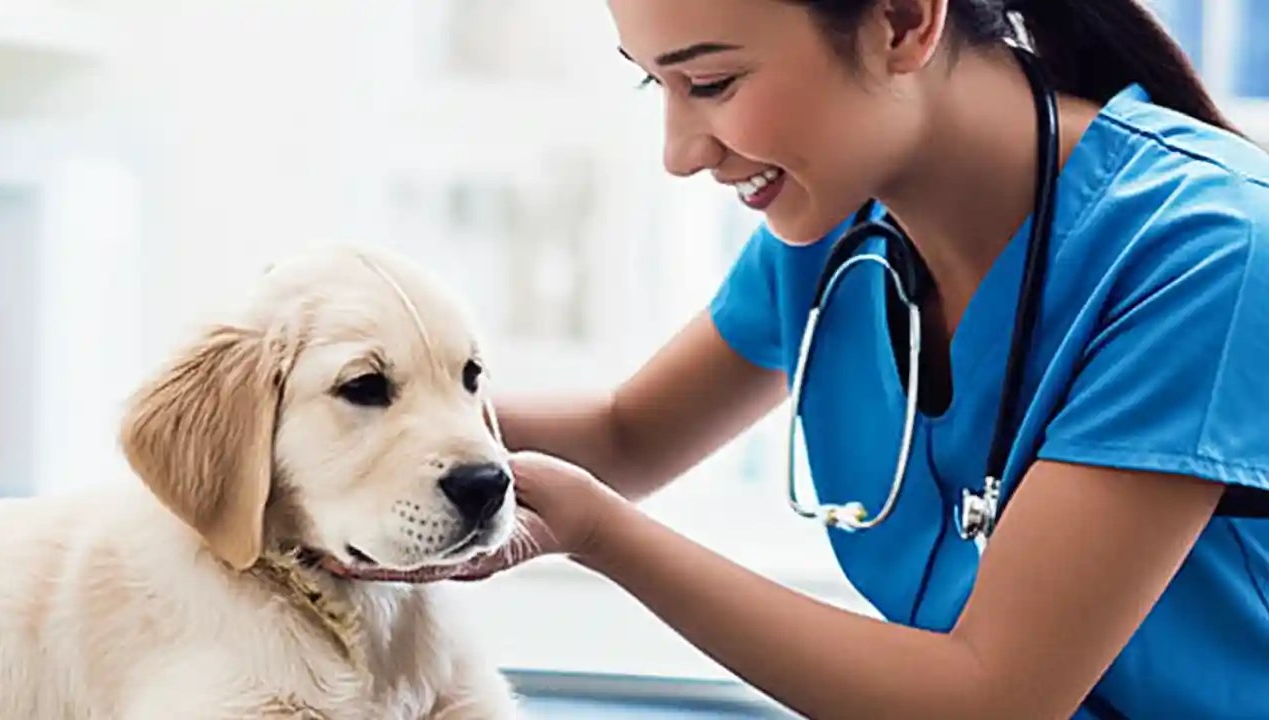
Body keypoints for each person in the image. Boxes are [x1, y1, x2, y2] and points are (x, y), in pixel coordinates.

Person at [421, 1, 1269, 717]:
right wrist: (360, 406)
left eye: (711, 83)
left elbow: (994, 697)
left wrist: (599, 533)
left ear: (903, 20)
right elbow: (624, 436)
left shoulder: (1206, 251)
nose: (679, 152)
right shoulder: (837, 225)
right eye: (657, 83)